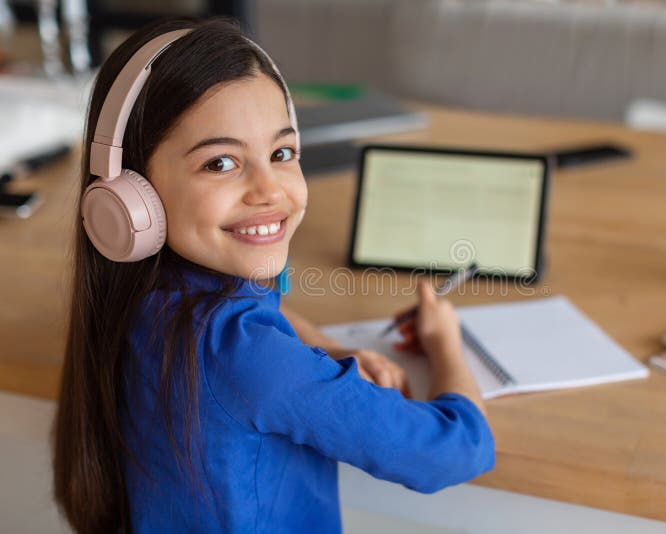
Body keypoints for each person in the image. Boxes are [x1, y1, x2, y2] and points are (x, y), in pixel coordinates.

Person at [53, 17, 494, 534]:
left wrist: (325, 347)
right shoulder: (251, 359)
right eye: (220, 163)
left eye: (281, 153)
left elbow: (254, 325)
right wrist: (446, 344)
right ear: (130, 196)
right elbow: (456, 450)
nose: (268, 189)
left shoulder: (140, 292)